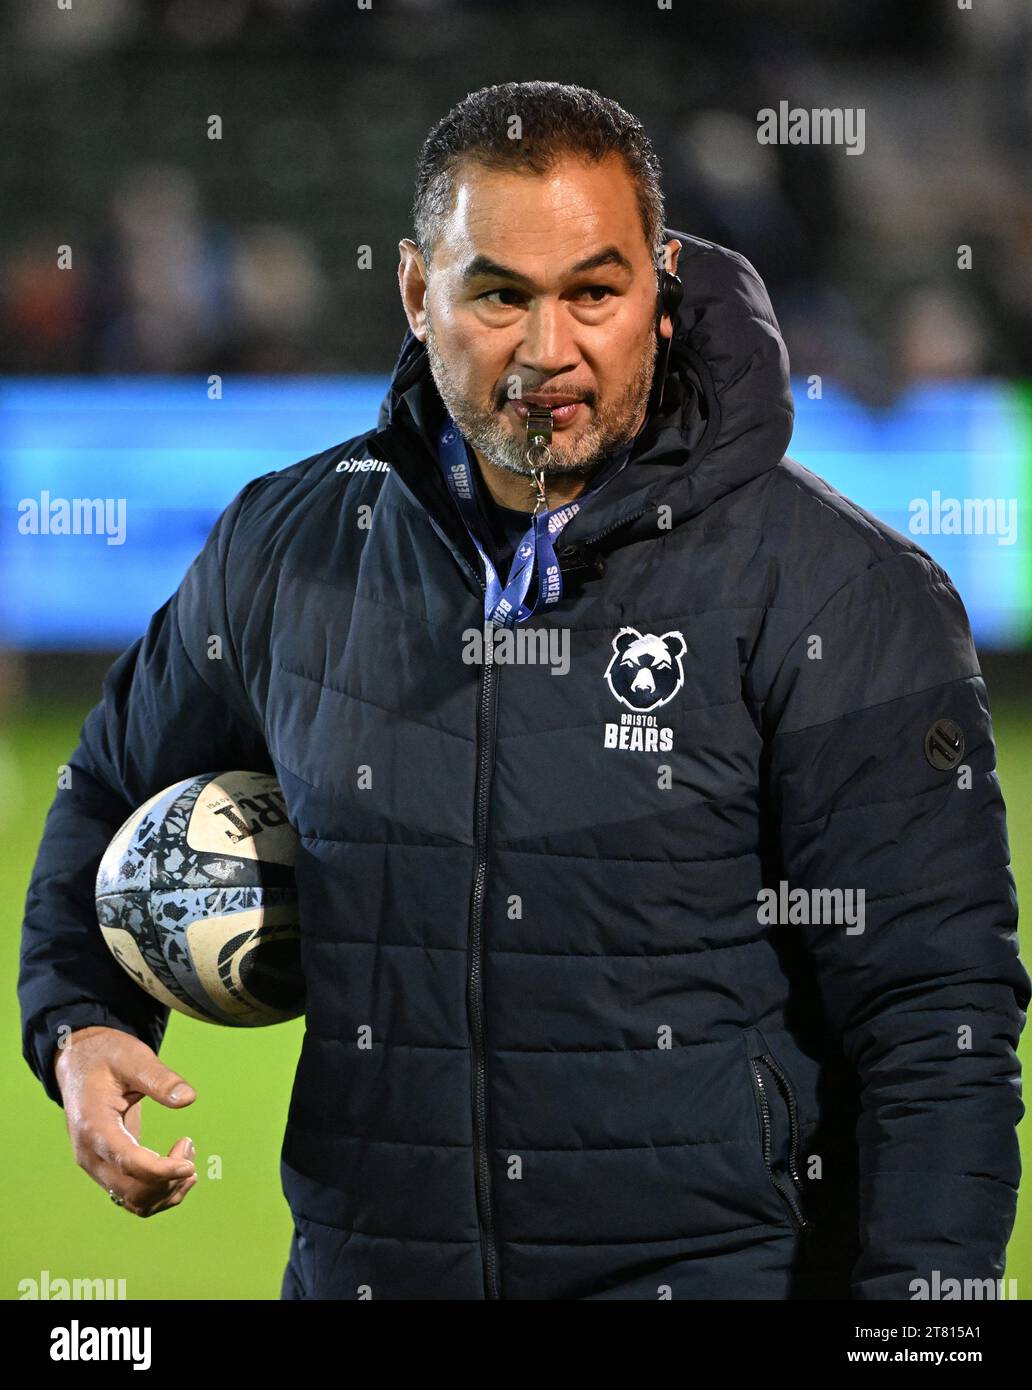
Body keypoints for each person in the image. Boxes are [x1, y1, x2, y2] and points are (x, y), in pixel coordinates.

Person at [19, 80, 1029, 1301]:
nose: (550, 350)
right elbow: (109, 788)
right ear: (416, 292)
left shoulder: (839, 590)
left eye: (594, 293)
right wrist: (81, 1018)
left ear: (660, 288)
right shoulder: (286, 549)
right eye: (499, 294)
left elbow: (937, 1016)